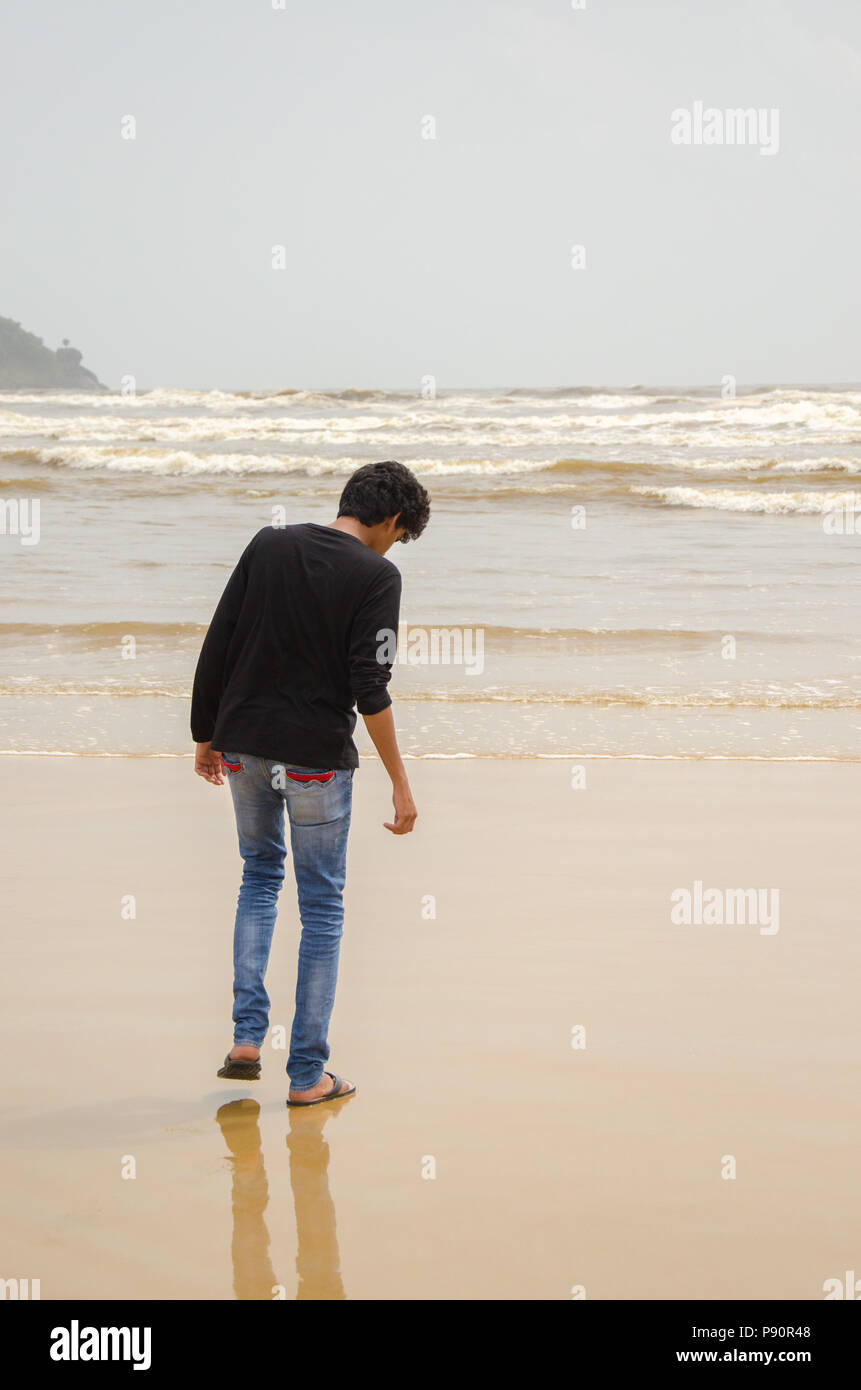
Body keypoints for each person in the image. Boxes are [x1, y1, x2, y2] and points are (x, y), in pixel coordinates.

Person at [191, 460, 430, 1107]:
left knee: (258, 877)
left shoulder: (269, 543)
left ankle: (246, 1039)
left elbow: (221, 640)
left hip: (242, 742)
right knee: (321, 906)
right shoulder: (377, 574)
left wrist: (205, 733)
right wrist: (400, 784)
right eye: (399, 534)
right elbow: (369, 685)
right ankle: (306, 1075)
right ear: (388, 519)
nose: (393, 546)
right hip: (314, 760)